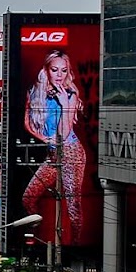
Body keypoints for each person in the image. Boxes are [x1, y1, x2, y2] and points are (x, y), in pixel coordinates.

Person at [20, 48, 89, 241]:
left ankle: (75, 243)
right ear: (47, 70)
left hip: (71, 151)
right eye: (55, 70)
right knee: (28, 197)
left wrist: (63, 101)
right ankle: (37, 233)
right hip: (53, 154)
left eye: (64, 70)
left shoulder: (70, 94)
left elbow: (64, 132)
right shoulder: (35, 91)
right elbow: (27, 122)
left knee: (73, 204)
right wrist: (44, 139)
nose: (59, 75)